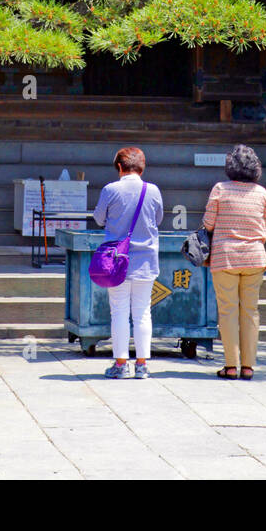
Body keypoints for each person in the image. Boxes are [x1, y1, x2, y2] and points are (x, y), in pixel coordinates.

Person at [93, 147, 164, 379]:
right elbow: (159, 219)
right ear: (142, 167)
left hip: (116, 262)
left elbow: (99, 218)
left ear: (120, 167)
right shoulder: (152, 191)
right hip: (146, 260)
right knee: (143, 312)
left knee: (119, 312)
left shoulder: (110, 189)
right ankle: (142, 364)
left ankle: (121, 364)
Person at [202, 144, 266, 380]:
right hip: (254, 256)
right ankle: (249, 366)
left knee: (228, 311)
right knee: (251, 311)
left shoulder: (220, 189)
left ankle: (231, 366)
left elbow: (209, 223)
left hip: (225, 257)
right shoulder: (261, 192)